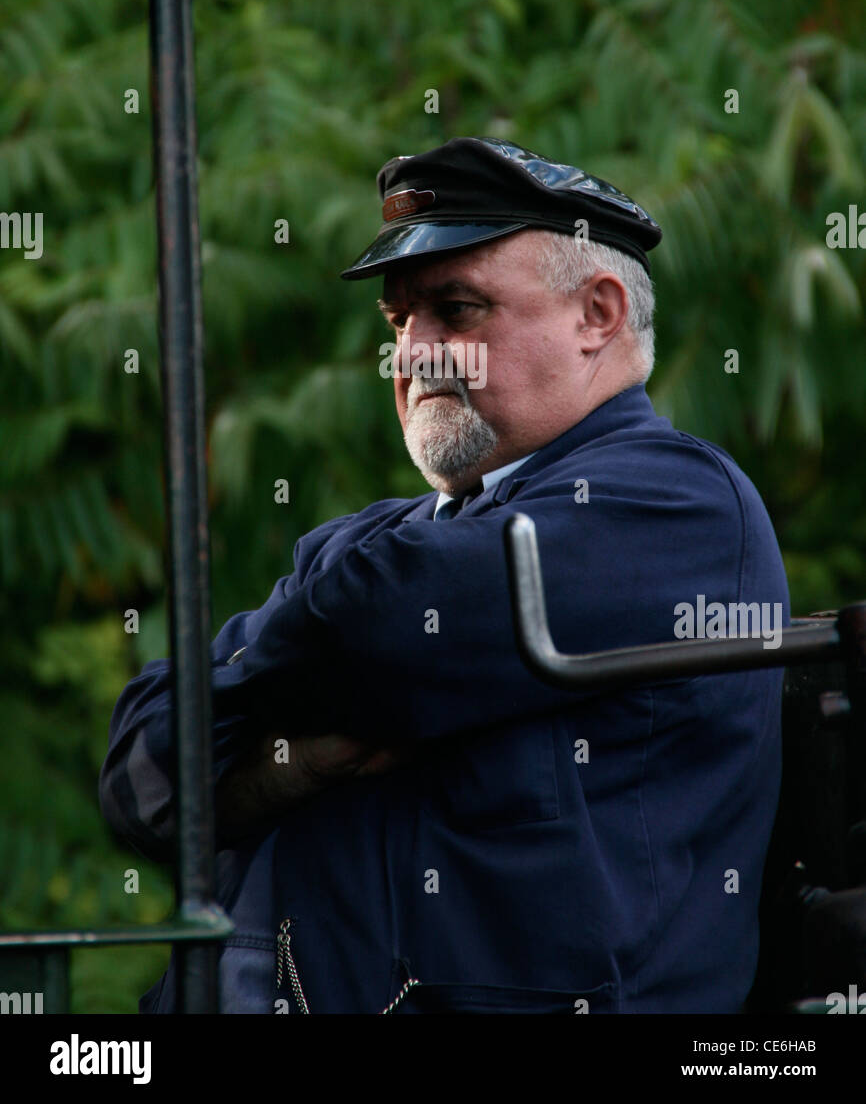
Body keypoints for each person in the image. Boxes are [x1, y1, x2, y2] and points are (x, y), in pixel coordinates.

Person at [99, 136, 789, 1014]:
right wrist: (299, 761)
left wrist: (273, 680)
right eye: (398, 322)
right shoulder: (374, 545)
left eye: (457, 311)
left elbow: (383, 624)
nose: (414, 352)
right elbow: (142, 780)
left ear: (599, 315)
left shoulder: (678, 507)